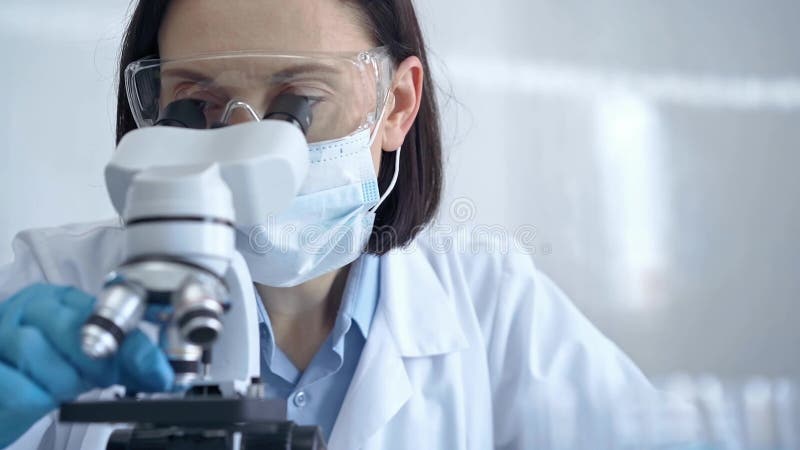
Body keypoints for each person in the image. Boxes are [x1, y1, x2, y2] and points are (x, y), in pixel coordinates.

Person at [0, 1, 663, 449]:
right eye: (195, 104)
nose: (245, 145)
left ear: (396, 105)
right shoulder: (58, 285)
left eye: (299, 104)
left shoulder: (493, 308)